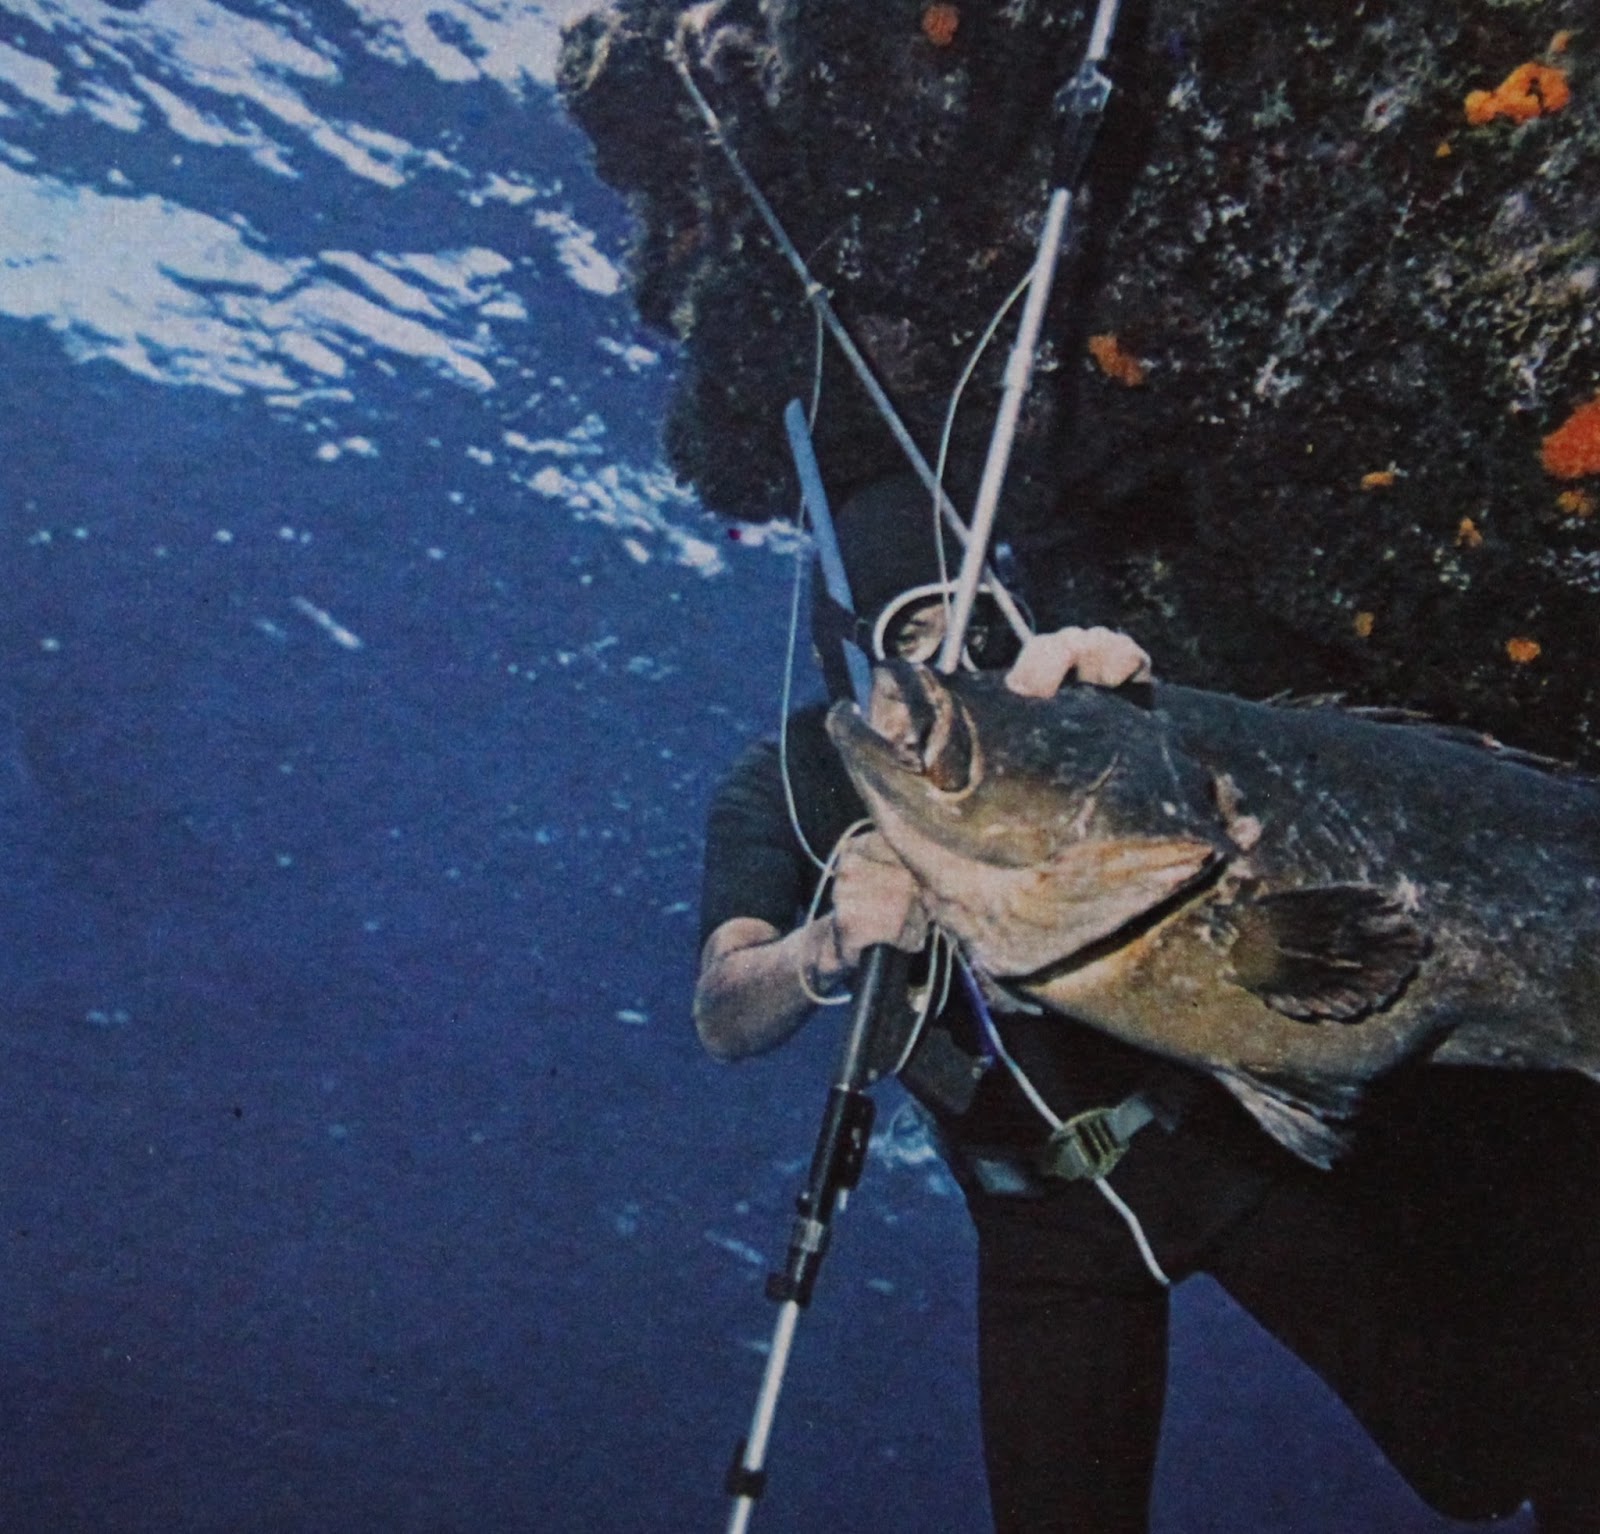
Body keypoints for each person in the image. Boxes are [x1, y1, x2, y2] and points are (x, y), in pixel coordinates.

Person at [695, 475, 1600, 1533]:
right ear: (849, 644)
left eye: (974, 620)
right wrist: (828, 942)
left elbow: (1327, 795)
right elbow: (723, 1009)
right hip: (1041, 1236)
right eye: (912, 630)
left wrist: (1150, 701)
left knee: (1491, 1463)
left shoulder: (1091, 707)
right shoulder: (789, 783)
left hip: (1224, 1157)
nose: (951, 663)